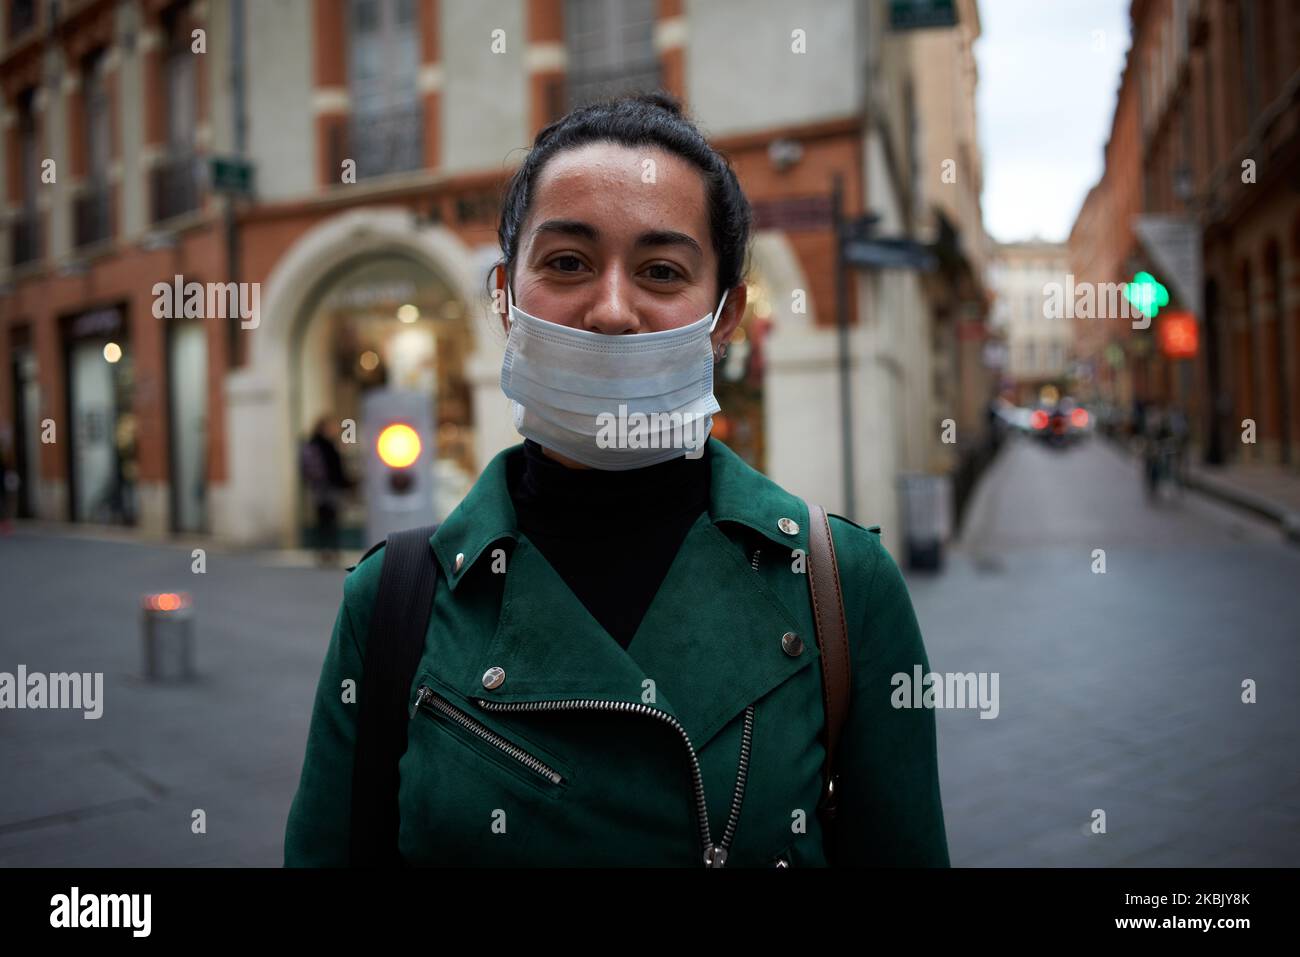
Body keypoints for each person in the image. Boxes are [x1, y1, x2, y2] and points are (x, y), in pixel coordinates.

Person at [284, 92, 949, 867]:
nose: (610, 310)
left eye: (662, 271)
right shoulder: (393, 598)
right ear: (505, 296)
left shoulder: (844, 588)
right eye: (567, 262)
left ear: (725, 316)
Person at [300, 415, 353, 565]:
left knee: (323, 521)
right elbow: (336, 470)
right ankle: (331, 551)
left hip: (318, 489)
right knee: (331, 521)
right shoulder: (328, 445)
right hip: (329, 488)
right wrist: (346, 485)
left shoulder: (312, 444)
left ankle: (323, 551)